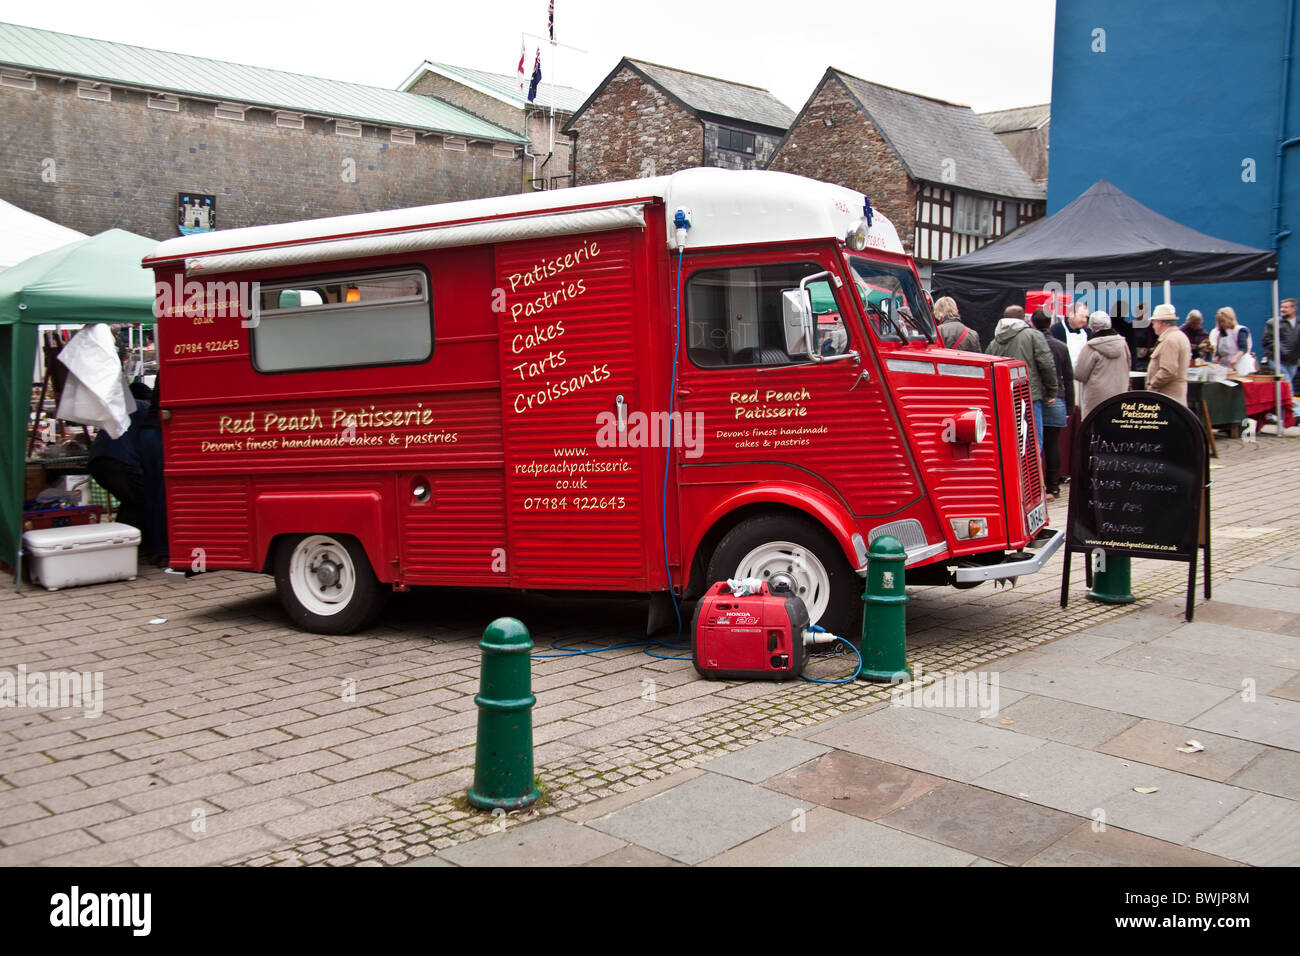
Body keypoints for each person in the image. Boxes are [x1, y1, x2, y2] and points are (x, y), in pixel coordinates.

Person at [986, 305, 1058, 453]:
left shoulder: (995, 341)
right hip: (1029, 397)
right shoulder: (1033, 335)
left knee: (1007, 445)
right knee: (1032, 445)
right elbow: (1046, 363)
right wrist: (1052, 390)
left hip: (1002, 400)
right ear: (1024, 318)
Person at [1031, 309, 1074, 498]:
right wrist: (1070, 406)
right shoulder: (1061, 346)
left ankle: (1037, 487)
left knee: (1035, 445)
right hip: (1057, 397)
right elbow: (1068, 377)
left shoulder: (1031, 344)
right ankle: (1053, 487)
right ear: (1050, 324)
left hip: (1037, 396)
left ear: (1032, 323)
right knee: (1051, 443)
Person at [1074, 311, 1133, 418]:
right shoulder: (1123, 344)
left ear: (1092, 328)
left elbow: (1079, 374)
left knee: (1097, 430)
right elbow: (1128, 365)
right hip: (1120, 397)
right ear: (1110, 325)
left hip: (1096, 402)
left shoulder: (1090, 347)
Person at [1145, 303, 1191, 404]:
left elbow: (1168, 371)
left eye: (1154, 323)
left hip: (1167, 397)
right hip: (1174, 397)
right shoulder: (1179, 336)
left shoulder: (1170, 340)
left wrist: (1152, 385)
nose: (1153, 326)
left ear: (1161, 323)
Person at [1261, 296, 1300, 385]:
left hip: (1293, 360)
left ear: (1294, 308)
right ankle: (1290, 399)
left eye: (1286, 307)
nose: (1282, 309)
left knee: (1286, 383)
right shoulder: (1273, 322)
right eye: (1281, 307)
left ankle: (1284, 398)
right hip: (1276, 360)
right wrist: (1281, 350)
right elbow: (1266, 341)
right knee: (1287, 383)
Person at [1207, 306, 1255, 374]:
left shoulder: (1240, 330)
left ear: (1230, 319)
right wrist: (1217, 358)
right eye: (1219, 322)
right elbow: (1219, 352)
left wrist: (1235, 358)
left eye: (1223, 321)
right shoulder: (1220, 334)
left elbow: (1243, 348)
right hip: (1226, 368)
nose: (1221, 324)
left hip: (1241, 366)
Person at [1054, 301, 1092, 367]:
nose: (1085, 320)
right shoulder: (1057, 330)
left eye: (1086, 317)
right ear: (1071, 314)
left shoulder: (1087, 332)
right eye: (1081, 316)